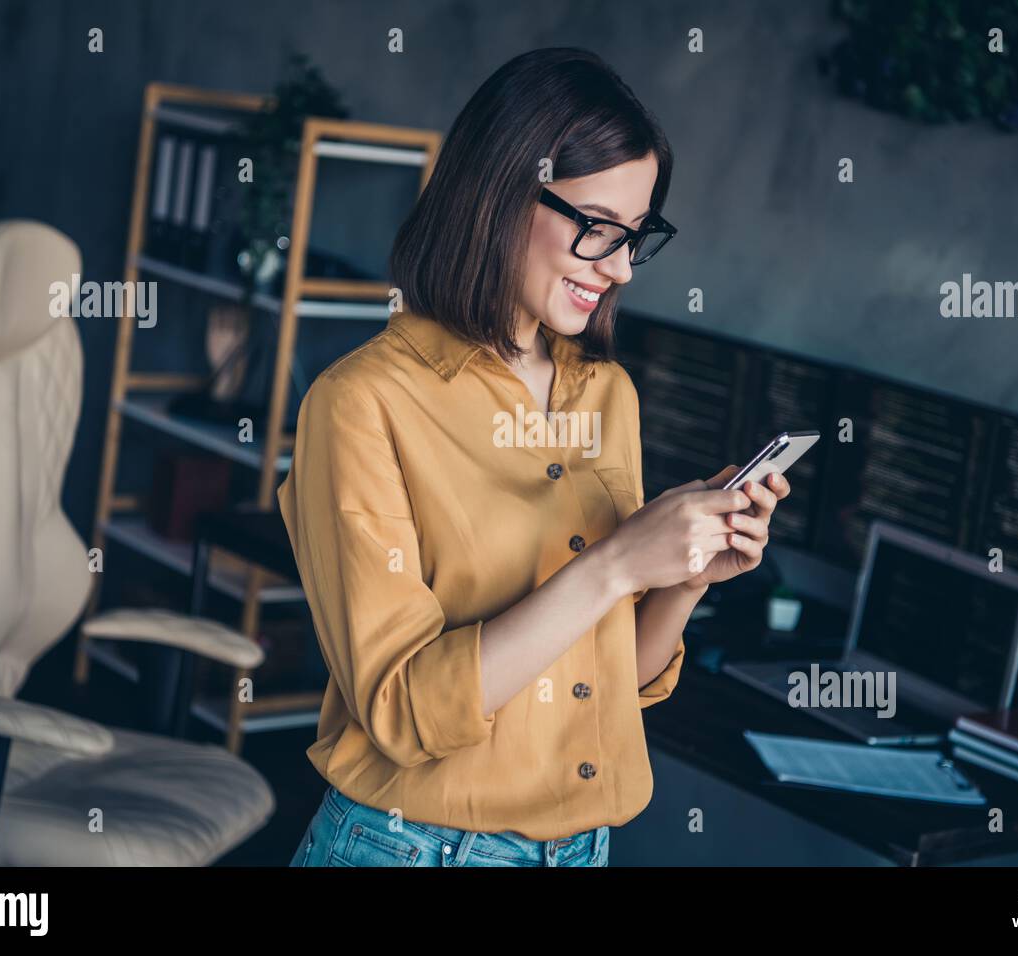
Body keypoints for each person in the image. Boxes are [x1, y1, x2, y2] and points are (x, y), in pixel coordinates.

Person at [280, 47, 789, 868]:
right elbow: (404, 713)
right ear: (499, 193)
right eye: (597, 228)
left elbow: (608, 677)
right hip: (410, 850)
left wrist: (688, 576)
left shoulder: (606, 396)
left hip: (583, 852)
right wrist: (620, 562)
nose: (620, 266)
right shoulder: (360, 403)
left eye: (637, 236)